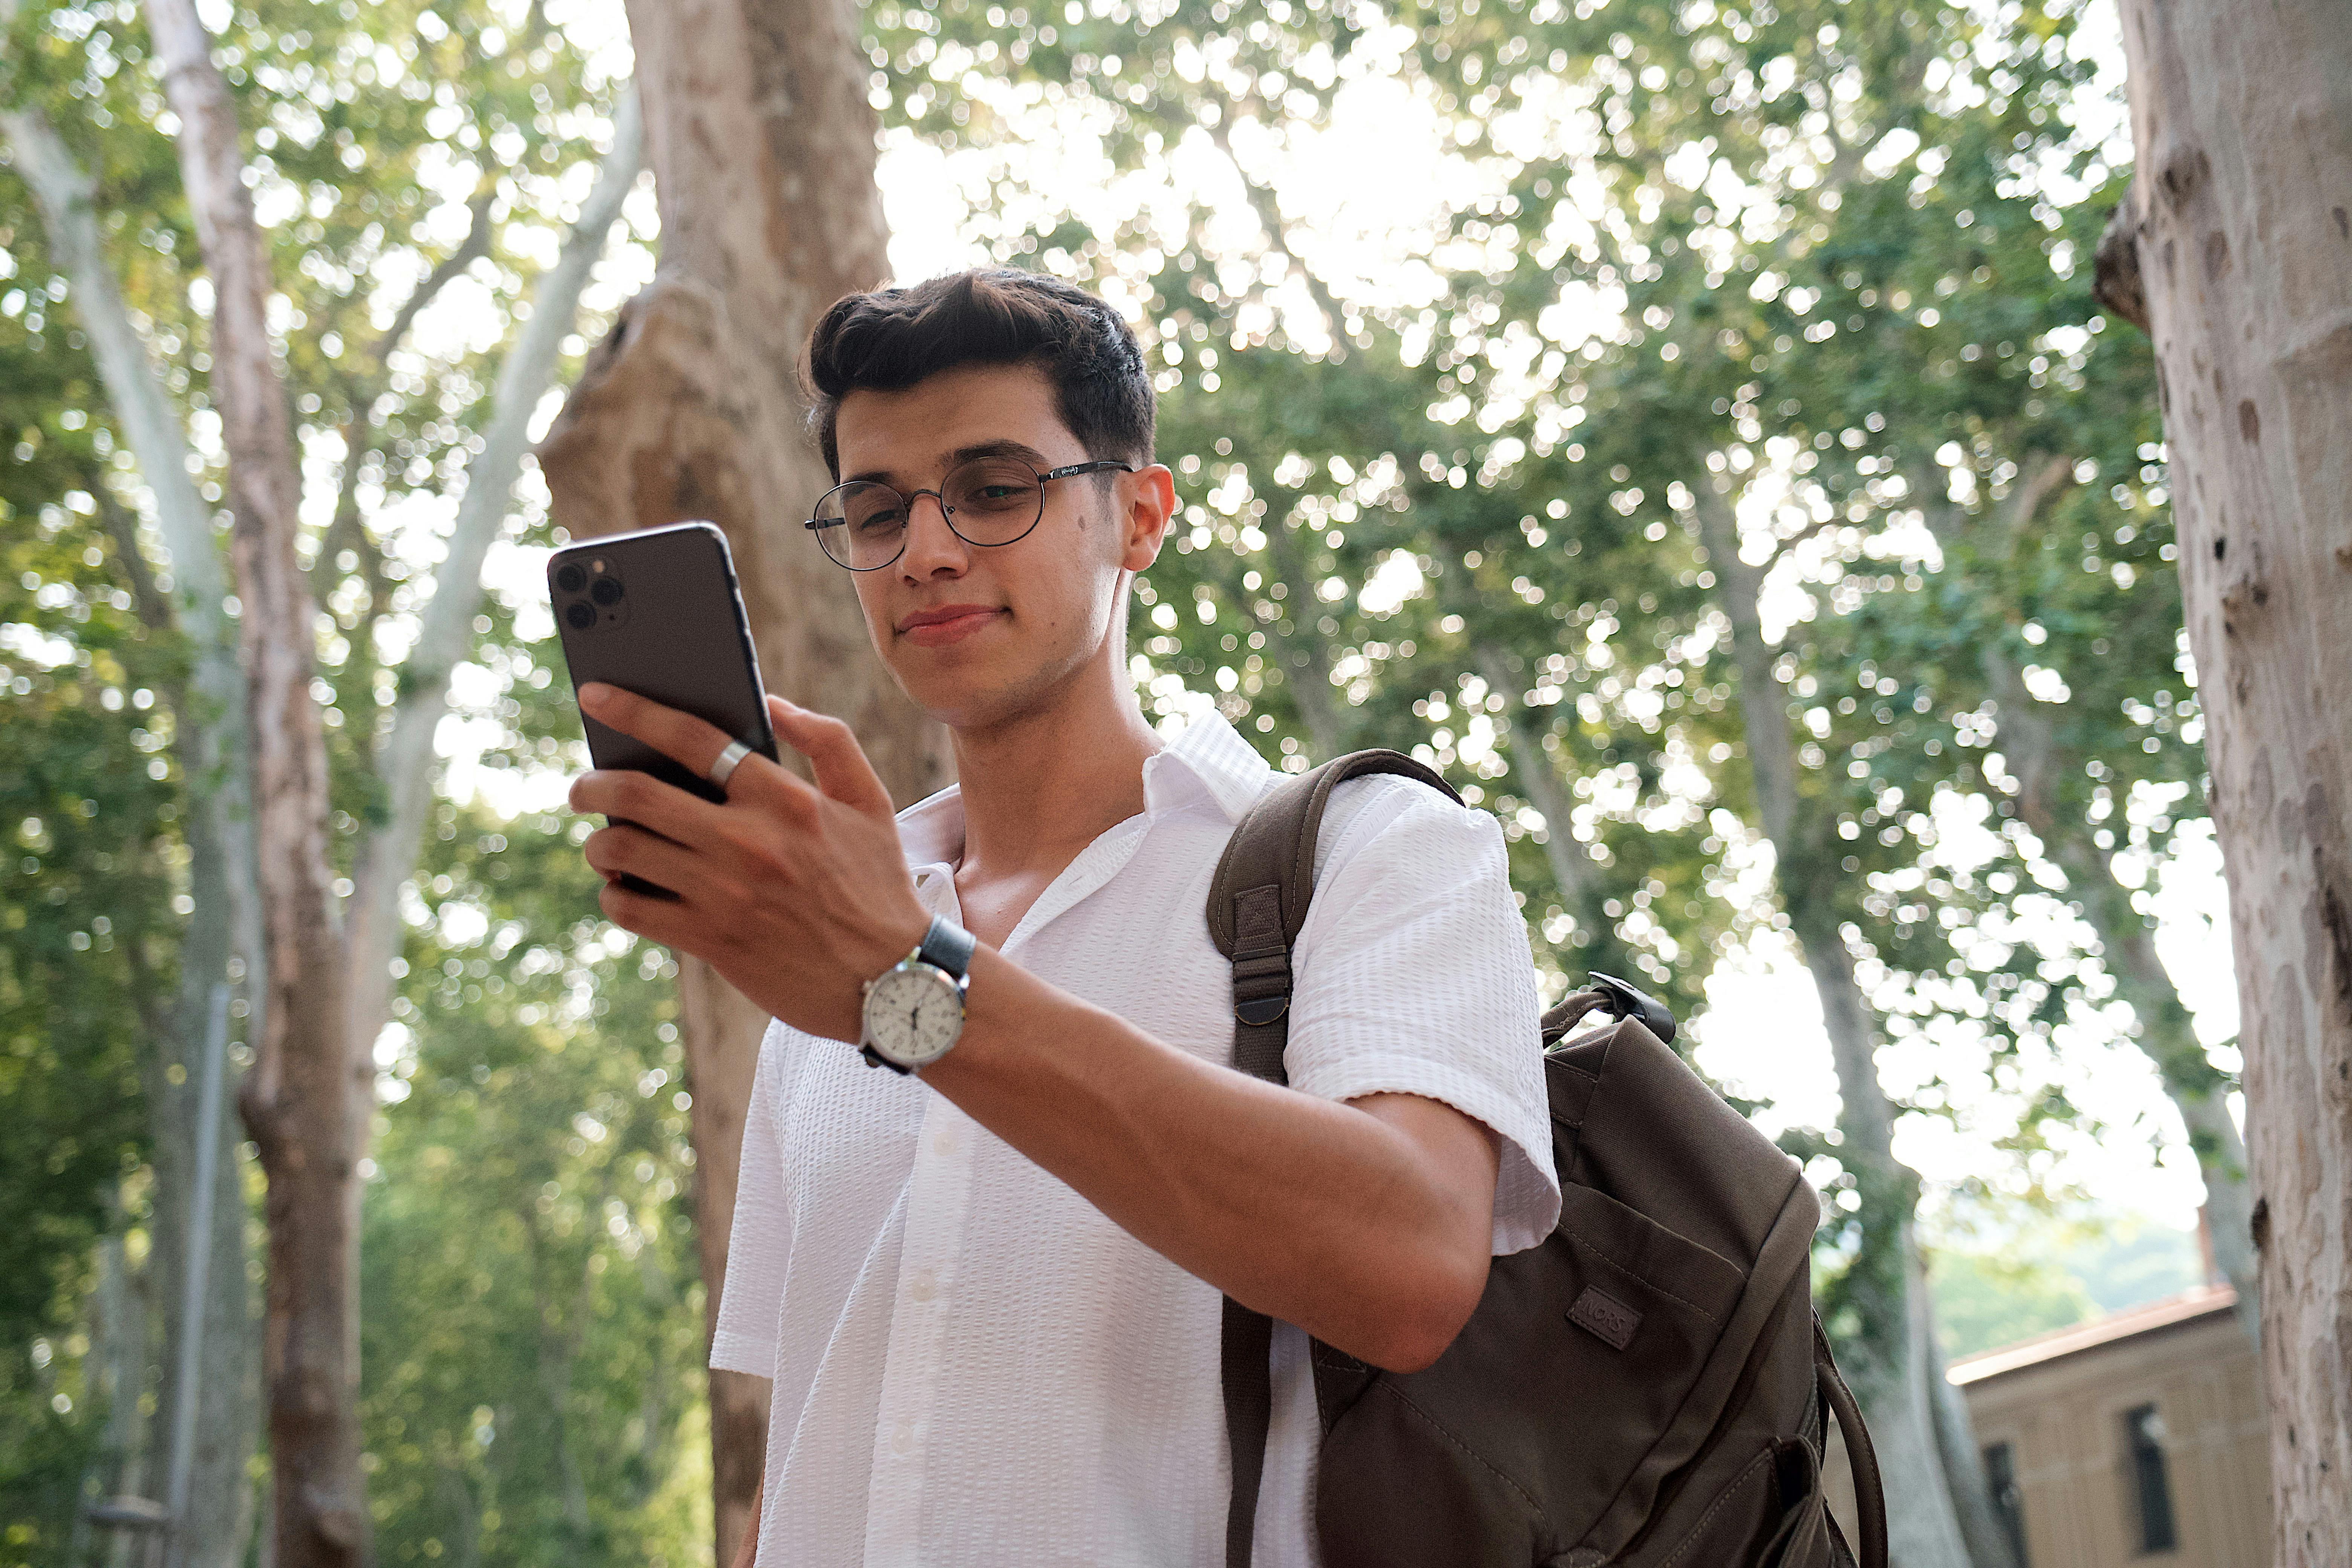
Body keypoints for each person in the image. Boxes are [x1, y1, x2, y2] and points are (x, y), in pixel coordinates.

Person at [566, 269, 1559, 1567]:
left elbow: (1416, 1265)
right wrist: (880, 963)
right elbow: (808, 1438)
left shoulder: (1374, 854)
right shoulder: (842, 937)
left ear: (1137, 515)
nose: (925, 551)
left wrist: (910, 988)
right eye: (876, 510)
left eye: (994, 489)